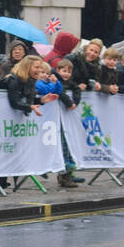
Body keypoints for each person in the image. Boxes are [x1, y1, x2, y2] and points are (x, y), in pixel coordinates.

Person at [50, 57, 84, 188]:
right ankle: (64, 175)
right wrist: (69, 103)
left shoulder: (70, 82)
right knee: (63, 147)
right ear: (58, 70)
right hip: (56, 120)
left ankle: (68, 175)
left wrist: (75, 101)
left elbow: (76, 89)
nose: (66, 74)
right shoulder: (54, 81)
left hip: (66, 121)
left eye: (69, 72)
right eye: (64, 71)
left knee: (69, 145)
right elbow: (60, 93)